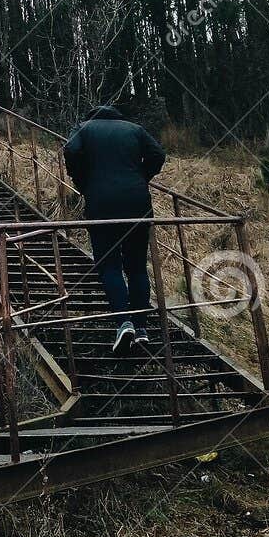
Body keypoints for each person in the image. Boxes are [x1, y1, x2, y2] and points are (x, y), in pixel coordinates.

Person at [62, 104, 166, 353]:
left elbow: (70, 150)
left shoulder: (84, 129)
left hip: (102, 205)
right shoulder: (135, 129)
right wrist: (141, 177)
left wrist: (82, 181)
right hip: (137, 204)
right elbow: (158, 154)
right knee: (138, 267)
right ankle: (141, 328)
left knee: (109, 265)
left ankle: (124, 322)